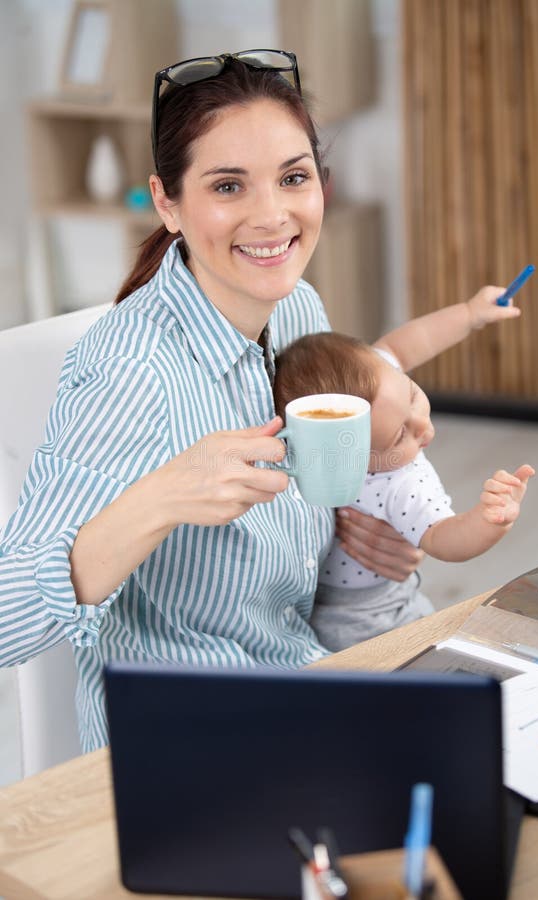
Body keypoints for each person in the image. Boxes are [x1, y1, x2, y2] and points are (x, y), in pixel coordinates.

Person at [0, 51, 429, 753]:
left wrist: (357, 538)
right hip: (190, 745)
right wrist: (162, 496)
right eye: (229, 186)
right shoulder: (131, 372)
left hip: (307, 680)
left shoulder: (297, 309)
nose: (273, 216)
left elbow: (289, 547)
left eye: (294, 177)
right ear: (167, 203)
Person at [273, 299, 534, 651]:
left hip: (326, 597)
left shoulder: (377, 387)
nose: (423, 426)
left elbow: (405, 344)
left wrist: (470, 314)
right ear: (351, 456)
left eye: (412, 394)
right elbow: (445, 538)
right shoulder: (399, 483)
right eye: (400, 436)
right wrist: (490, 521)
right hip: (370, 617)